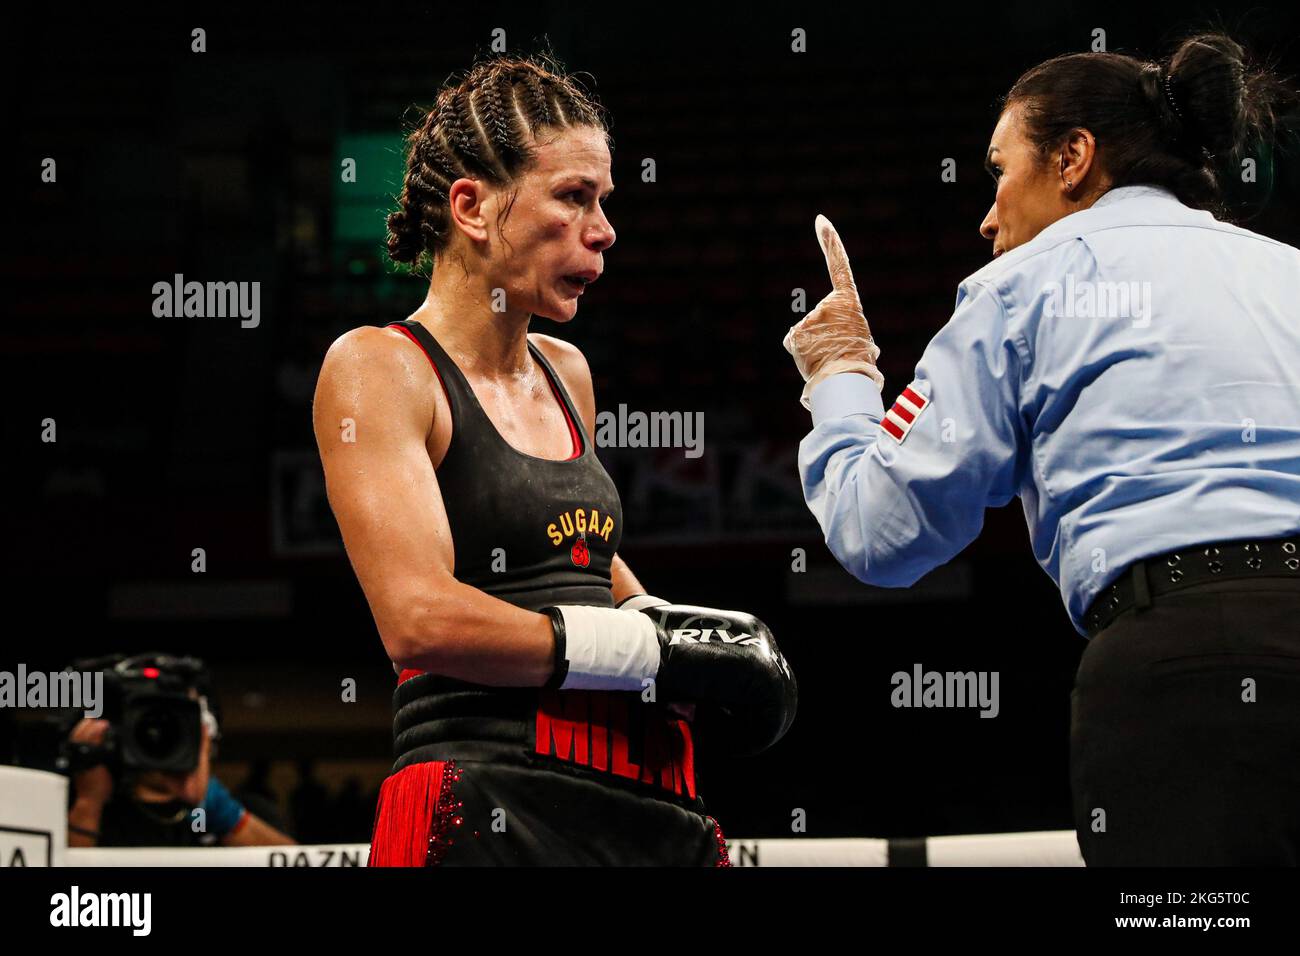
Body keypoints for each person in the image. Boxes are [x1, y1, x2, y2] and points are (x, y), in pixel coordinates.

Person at [783, 33, 1300, 865]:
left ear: (1072, 158)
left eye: (998, 169)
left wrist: (841, 379)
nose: (988, 213)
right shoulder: (1289, 272)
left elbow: (882, 534)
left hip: (1188, 667)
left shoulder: (1025, 286)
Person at [313, 55, 795, 866]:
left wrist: (677, 629)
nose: (602, 228)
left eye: (603, 201)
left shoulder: (567, 373)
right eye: (574, 197)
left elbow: (579, 554)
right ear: (471, 206)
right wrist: (645, 650)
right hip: (487, 792)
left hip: (642, 792)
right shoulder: (381, 368)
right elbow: (418, 618)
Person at [65, 654, 295, 848]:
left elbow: (296, 861)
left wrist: (210, 806)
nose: (158, 736)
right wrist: (88, 802)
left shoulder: (225, 814)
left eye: (173, 724)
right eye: (145, 724)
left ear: (206, 735)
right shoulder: (89, 809)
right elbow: (72, 899)